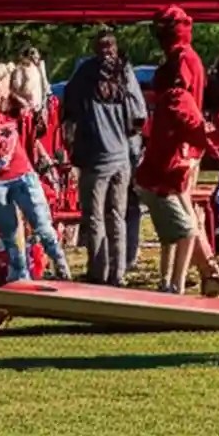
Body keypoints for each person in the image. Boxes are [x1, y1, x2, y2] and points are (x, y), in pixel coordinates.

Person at [135, 5, 219, 296]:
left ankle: (206, 271)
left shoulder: (182, 59)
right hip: (183, 143)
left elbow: (180, 100)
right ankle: (205, 271)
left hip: (179, 146)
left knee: (185, 218)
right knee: (185, 215)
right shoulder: (185, 56)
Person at [62, 30, 147, 287]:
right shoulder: (125, 75)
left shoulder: (85, 75)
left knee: (95, 217)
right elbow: (139, 116)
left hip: (95, 158)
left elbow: (69, 106)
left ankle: (98, 272)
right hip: (122, 156)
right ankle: (117, 273)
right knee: (117, 216)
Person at [0, 76, 71, 282]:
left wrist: (11, 93)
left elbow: (34, 114)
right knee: (11, 233)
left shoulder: (12, 110)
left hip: (22, 173)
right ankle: (20, 276)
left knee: (43, 226)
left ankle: (62, 269)